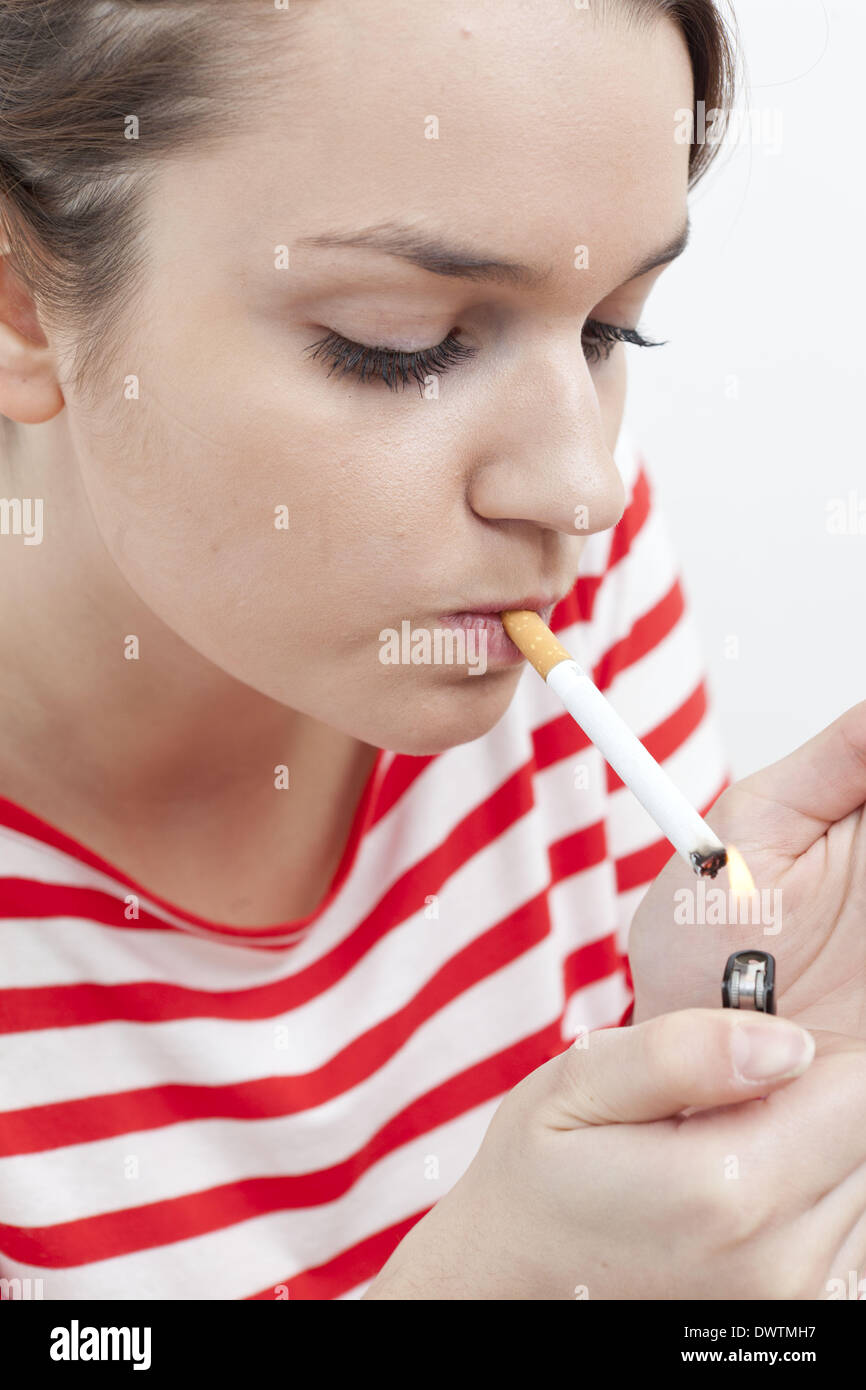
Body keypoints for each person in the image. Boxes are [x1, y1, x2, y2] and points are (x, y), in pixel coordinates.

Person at [0, 0, 863, 1302]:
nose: (577, 483)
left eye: (607, 332)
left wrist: (729, 1063)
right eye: (401, 344)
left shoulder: (568, 591)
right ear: (19, 303)